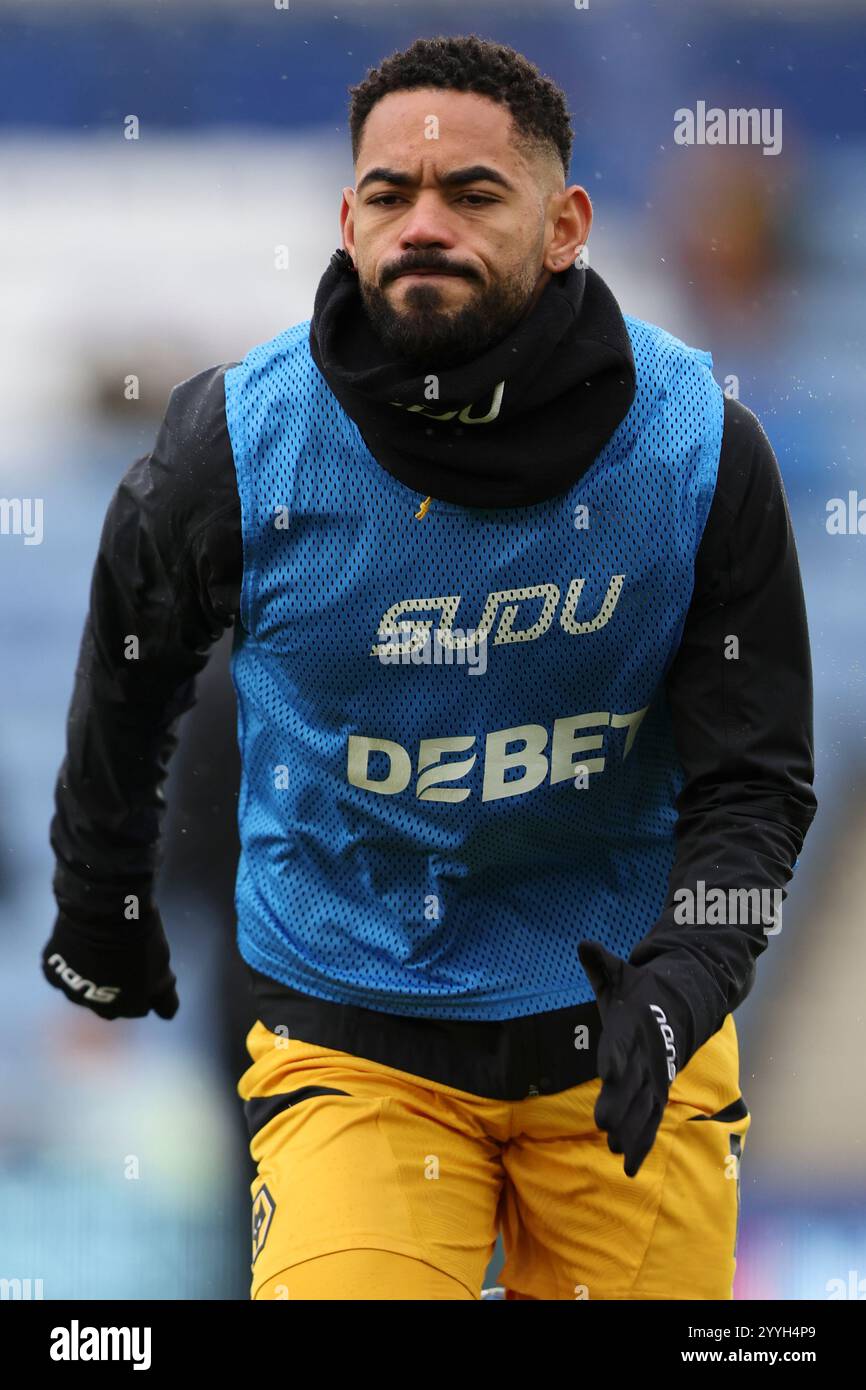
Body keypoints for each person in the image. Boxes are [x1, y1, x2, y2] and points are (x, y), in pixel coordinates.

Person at [43, 35, 817, 1301]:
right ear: (346, 219)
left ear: (565, 225)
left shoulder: (697, 451)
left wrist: (683, 984)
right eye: (390, 196)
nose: (423, 224)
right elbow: (128, 682)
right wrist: (101, 910)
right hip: (357, 1049)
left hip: (627, 1045)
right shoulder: (234, 447)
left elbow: (757, 786)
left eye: (471, 193)